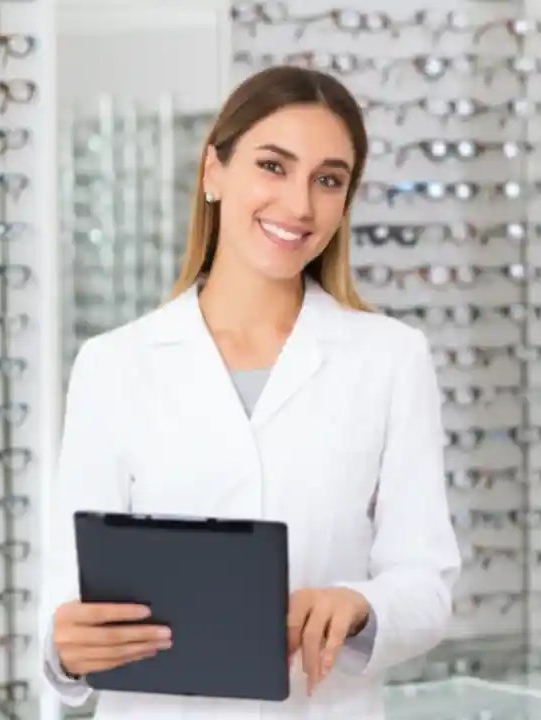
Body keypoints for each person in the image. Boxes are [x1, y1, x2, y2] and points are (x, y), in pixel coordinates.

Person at [41, 65, 463, 719]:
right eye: (273, 166)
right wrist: (65, 649)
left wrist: (359, 606)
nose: (299, 205)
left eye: (328, 180)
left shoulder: (389, 359)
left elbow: (428, 583)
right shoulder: (113, 365)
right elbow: (69, 600)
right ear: (214, 172)